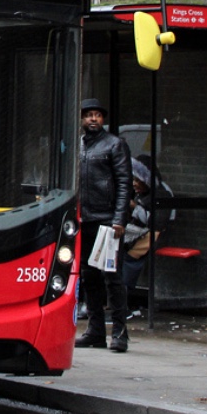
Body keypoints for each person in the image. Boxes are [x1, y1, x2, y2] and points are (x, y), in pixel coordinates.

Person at [76, 98, 133, 352]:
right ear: (82, 119)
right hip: (84, 219)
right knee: (89, 276)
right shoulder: (78, 145)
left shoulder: (115, 144)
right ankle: (96, 331)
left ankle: (120, 333)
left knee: (112, 277)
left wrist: (119, 218)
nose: (93, 119)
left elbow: (124, 183)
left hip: (107, 220)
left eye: (97, 115)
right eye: (89, 115)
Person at [122, 155, 174, 291]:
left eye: (138, 180)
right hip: (138, 232)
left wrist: (135, 208)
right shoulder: (139, 193)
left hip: (156, 234)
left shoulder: (162, 194)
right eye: (133, 179)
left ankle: (125, 290)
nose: (134, 184)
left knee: (129, 258)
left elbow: (157, 223)